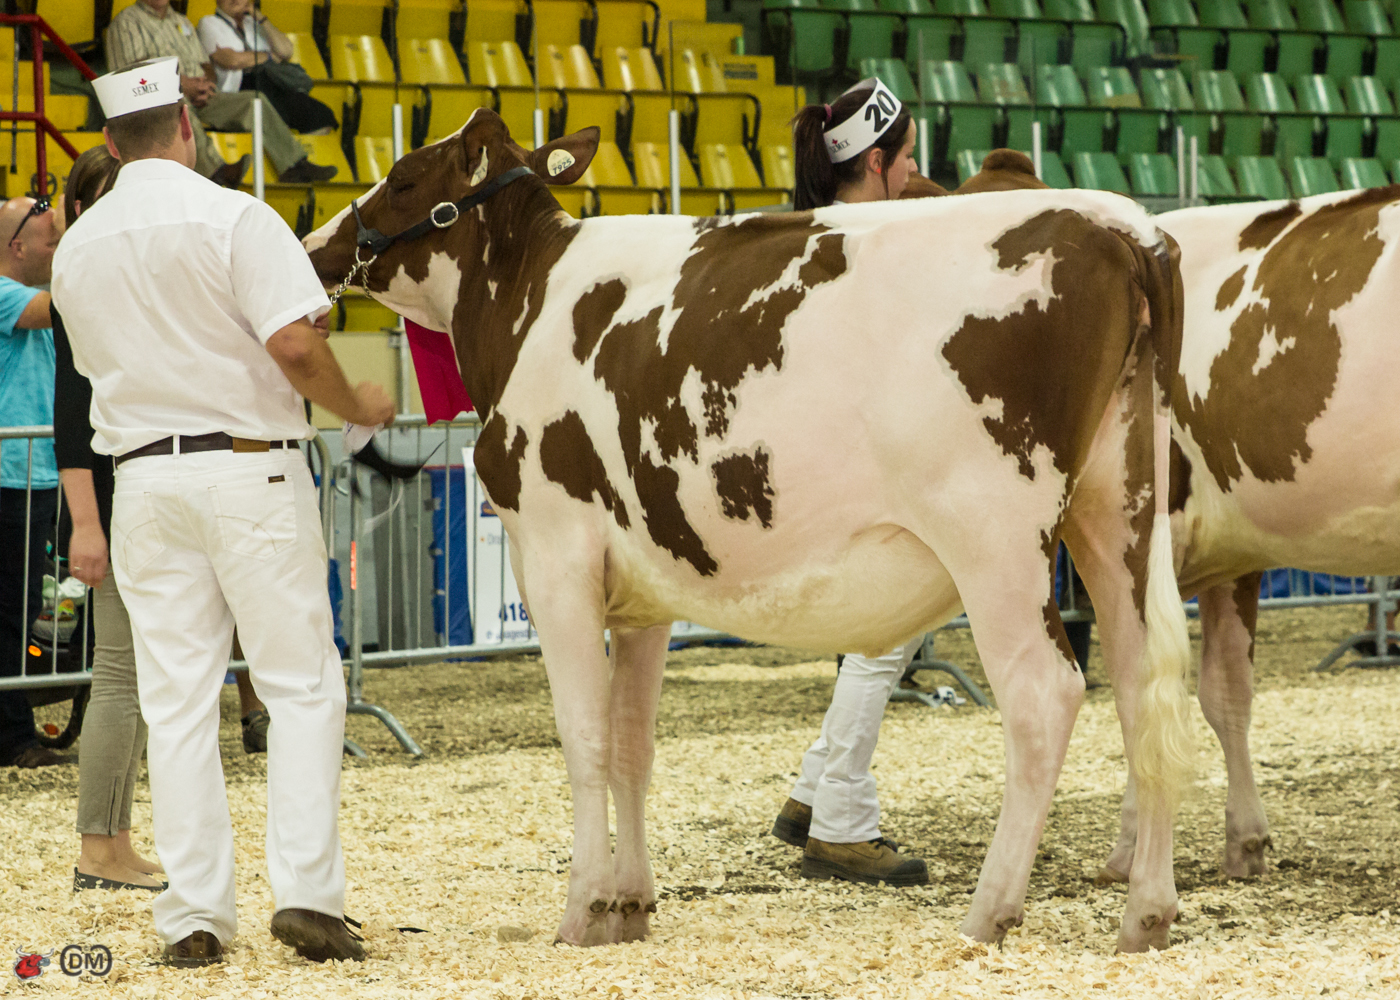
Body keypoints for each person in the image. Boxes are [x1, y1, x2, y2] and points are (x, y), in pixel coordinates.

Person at [51, 56, 394, 966]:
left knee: (175, 702)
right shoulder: (236, 215)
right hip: (250, 471)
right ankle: (310, 898)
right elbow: (290, 339)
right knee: (300, 688)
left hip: (143, 482)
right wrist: (356, 404)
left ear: (112, 144)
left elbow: (91, 374)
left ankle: (196, 913)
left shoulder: (79, 246)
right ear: (187, 129)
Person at [771, 78, 930, 887]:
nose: (913, 172)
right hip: (856, 461)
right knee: (884, 637)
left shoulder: (813, 227)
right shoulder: (880, 237)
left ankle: (810, 792)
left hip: (818, 452)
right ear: (876, 159)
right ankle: (841, 820)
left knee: (883, 639)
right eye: (907, 158)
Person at [55, 146, 165, 889]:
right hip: (112, 498)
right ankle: (98, 848)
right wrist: (85, 525)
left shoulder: (109, 277)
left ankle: (114, 839)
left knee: (137, 680)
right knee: (121, 677)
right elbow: (71, 416)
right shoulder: (80, 280)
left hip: (137, 495)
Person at [106, 0, 337, 186]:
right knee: (179, 103)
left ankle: (293, 165)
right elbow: (131, 74)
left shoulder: (181, 21)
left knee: (252, 100)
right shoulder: (127, 22)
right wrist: (182, 85)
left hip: (199, 95)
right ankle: (217, 172)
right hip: (156, 102)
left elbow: (206, 64)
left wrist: (206, 85)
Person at [0, 192, 67, 769]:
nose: (60, 245)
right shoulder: (5, 295)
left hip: (37, 473)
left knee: (25, 608)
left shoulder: (35, 300)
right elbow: (64, 307)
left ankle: (17, 728)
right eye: (52, 238)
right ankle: (12, 735)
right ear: (17, 246)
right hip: (9, 477)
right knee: (8, 609)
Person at [196, 0, 337, 136]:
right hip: (239, 89)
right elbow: (231, 60)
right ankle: (292, 155)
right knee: (275, 111)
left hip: (270, 83)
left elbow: (286, 51)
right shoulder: (209, 22)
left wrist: (259, 16)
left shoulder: (254, 23)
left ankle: (302, 154)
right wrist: (268, 56)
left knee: (321, 114)